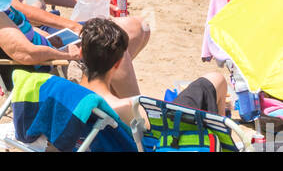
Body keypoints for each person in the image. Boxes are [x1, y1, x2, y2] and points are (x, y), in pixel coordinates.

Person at [80, 18, 228, 133]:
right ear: (118, 64)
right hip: (167, 135)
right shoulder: (126, 108)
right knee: (216, 79)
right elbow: (159, 129)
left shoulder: (65, 92)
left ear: (80, 54)